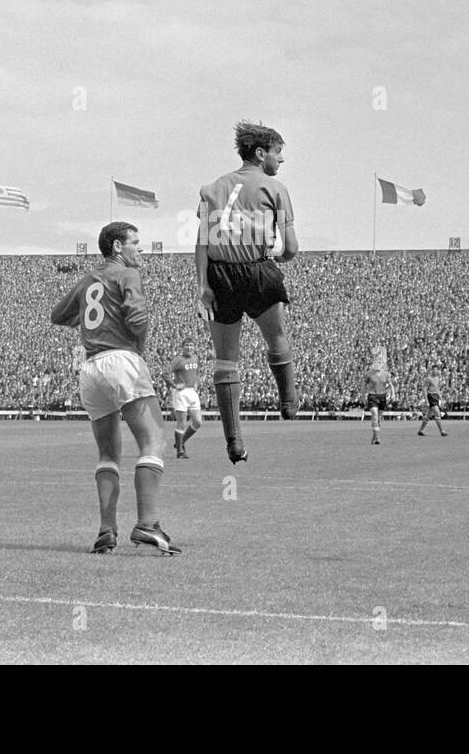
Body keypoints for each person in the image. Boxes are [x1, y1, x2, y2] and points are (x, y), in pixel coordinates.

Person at [51, 221, 179, 555]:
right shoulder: (127, 275)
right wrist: (137, 346)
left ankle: (107, 530)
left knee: (108, 454)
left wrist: (92, 317)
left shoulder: (87, 281)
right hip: (121, 360)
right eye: (136, 242)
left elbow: (58, 315)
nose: (141, 248)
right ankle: (147, 525)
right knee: (153, 441)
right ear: (118, 247)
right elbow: (137, 317)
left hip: (90, 369)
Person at [196, 121, 299, 465]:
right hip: (258, 270)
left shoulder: (212, 188)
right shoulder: (275, 188)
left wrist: (203, 285)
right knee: (277, 338)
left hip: (220, 274)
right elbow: (291, 248)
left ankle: (235, 441)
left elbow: (202, 241)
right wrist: (278, 255)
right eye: (278, 152)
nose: (281, 160)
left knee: (226, 360)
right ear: (261, 153)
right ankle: (288, 401)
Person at [162, 337, 202, 459]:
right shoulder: (178, 360)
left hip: (192, 392)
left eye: (191, 345)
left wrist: (196, 383)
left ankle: (180, 442)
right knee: (182, 423)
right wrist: (174, 385)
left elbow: (198, 372)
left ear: (194, 347)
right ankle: (180, 451)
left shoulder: (195, 358)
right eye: (187, 345)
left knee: (198, 422)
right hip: (181, 393)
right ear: (182, 347)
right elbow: (165, 373)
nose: (189, 347)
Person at [362, 352, 394, 445]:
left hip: (382, 397)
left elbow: (391, 385)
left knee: (378, 419)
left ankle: (374, 437)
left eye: (380, 362)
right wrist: (363, 396)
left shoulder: (386, 374)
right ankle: (377, 439)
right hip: (372, 396)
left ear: (382, 364)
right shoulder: (368, 374)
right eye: (376, 362)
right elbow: (364, 386)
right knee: (375, 416)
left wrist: (393, 394)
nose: (378, 363)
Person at [416, 370, 446, 437]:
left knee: (428, 415)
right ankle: (442, 431)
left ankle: (420, 431)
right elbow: (424, 389)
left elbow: (437, 389)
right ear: (432, 371)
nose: (435, 371)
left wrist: (441, 399)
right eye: (434, 370)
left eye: (436, 370)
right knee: (437, 414)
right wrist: (426, 401)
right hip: (431, 396)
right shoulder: (428, 378)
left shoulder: (438, 378)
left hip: (436, 397)